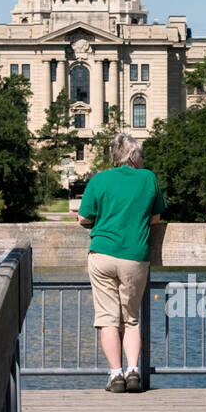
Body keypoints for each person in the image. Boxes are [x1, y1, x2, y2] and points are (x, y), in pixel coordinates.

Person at [77, 133, 166, 392]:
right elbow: (156, 218)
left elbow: (84, 218)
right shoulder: (148, 178)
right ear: (133, 156)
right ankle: (133, 371)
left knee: (108, 319)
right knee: (131, 319)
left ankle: (116, 375)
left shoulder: (100, 179)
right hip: (134, 256)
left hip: (102, 253)